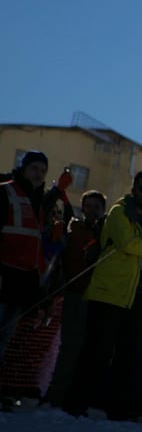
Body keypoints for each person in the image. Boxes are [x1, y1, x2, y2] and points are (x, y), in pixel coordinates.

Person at [67, 172, 142, 419]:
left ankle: (117, 407)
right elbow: (127, 243)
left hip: (137, 296)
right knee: (96, 352)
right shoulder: (120, 212)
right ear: (134, 189)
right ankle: (76, 402)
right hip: (108, 293)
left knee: (126, 356)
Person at [0, 151, 71, 368]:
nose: (39, 174)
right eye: (34, 169)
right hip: (4, 274)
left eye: (43, 170)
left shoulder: (36, 202)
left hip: (22, 280)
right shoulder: (7, 191)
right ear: (23, 169)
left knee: (5, 338)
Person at [45, 190, 107, 406]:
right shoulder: (73, 230)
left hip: (99, 297)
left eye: (96, 207)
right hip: (75, 292)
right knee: (70, 346)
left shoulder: (105, 232)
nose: (91, 211)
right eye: (88, 206)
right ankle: (57, 394)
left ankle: (77, 396)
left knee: (89, 348)